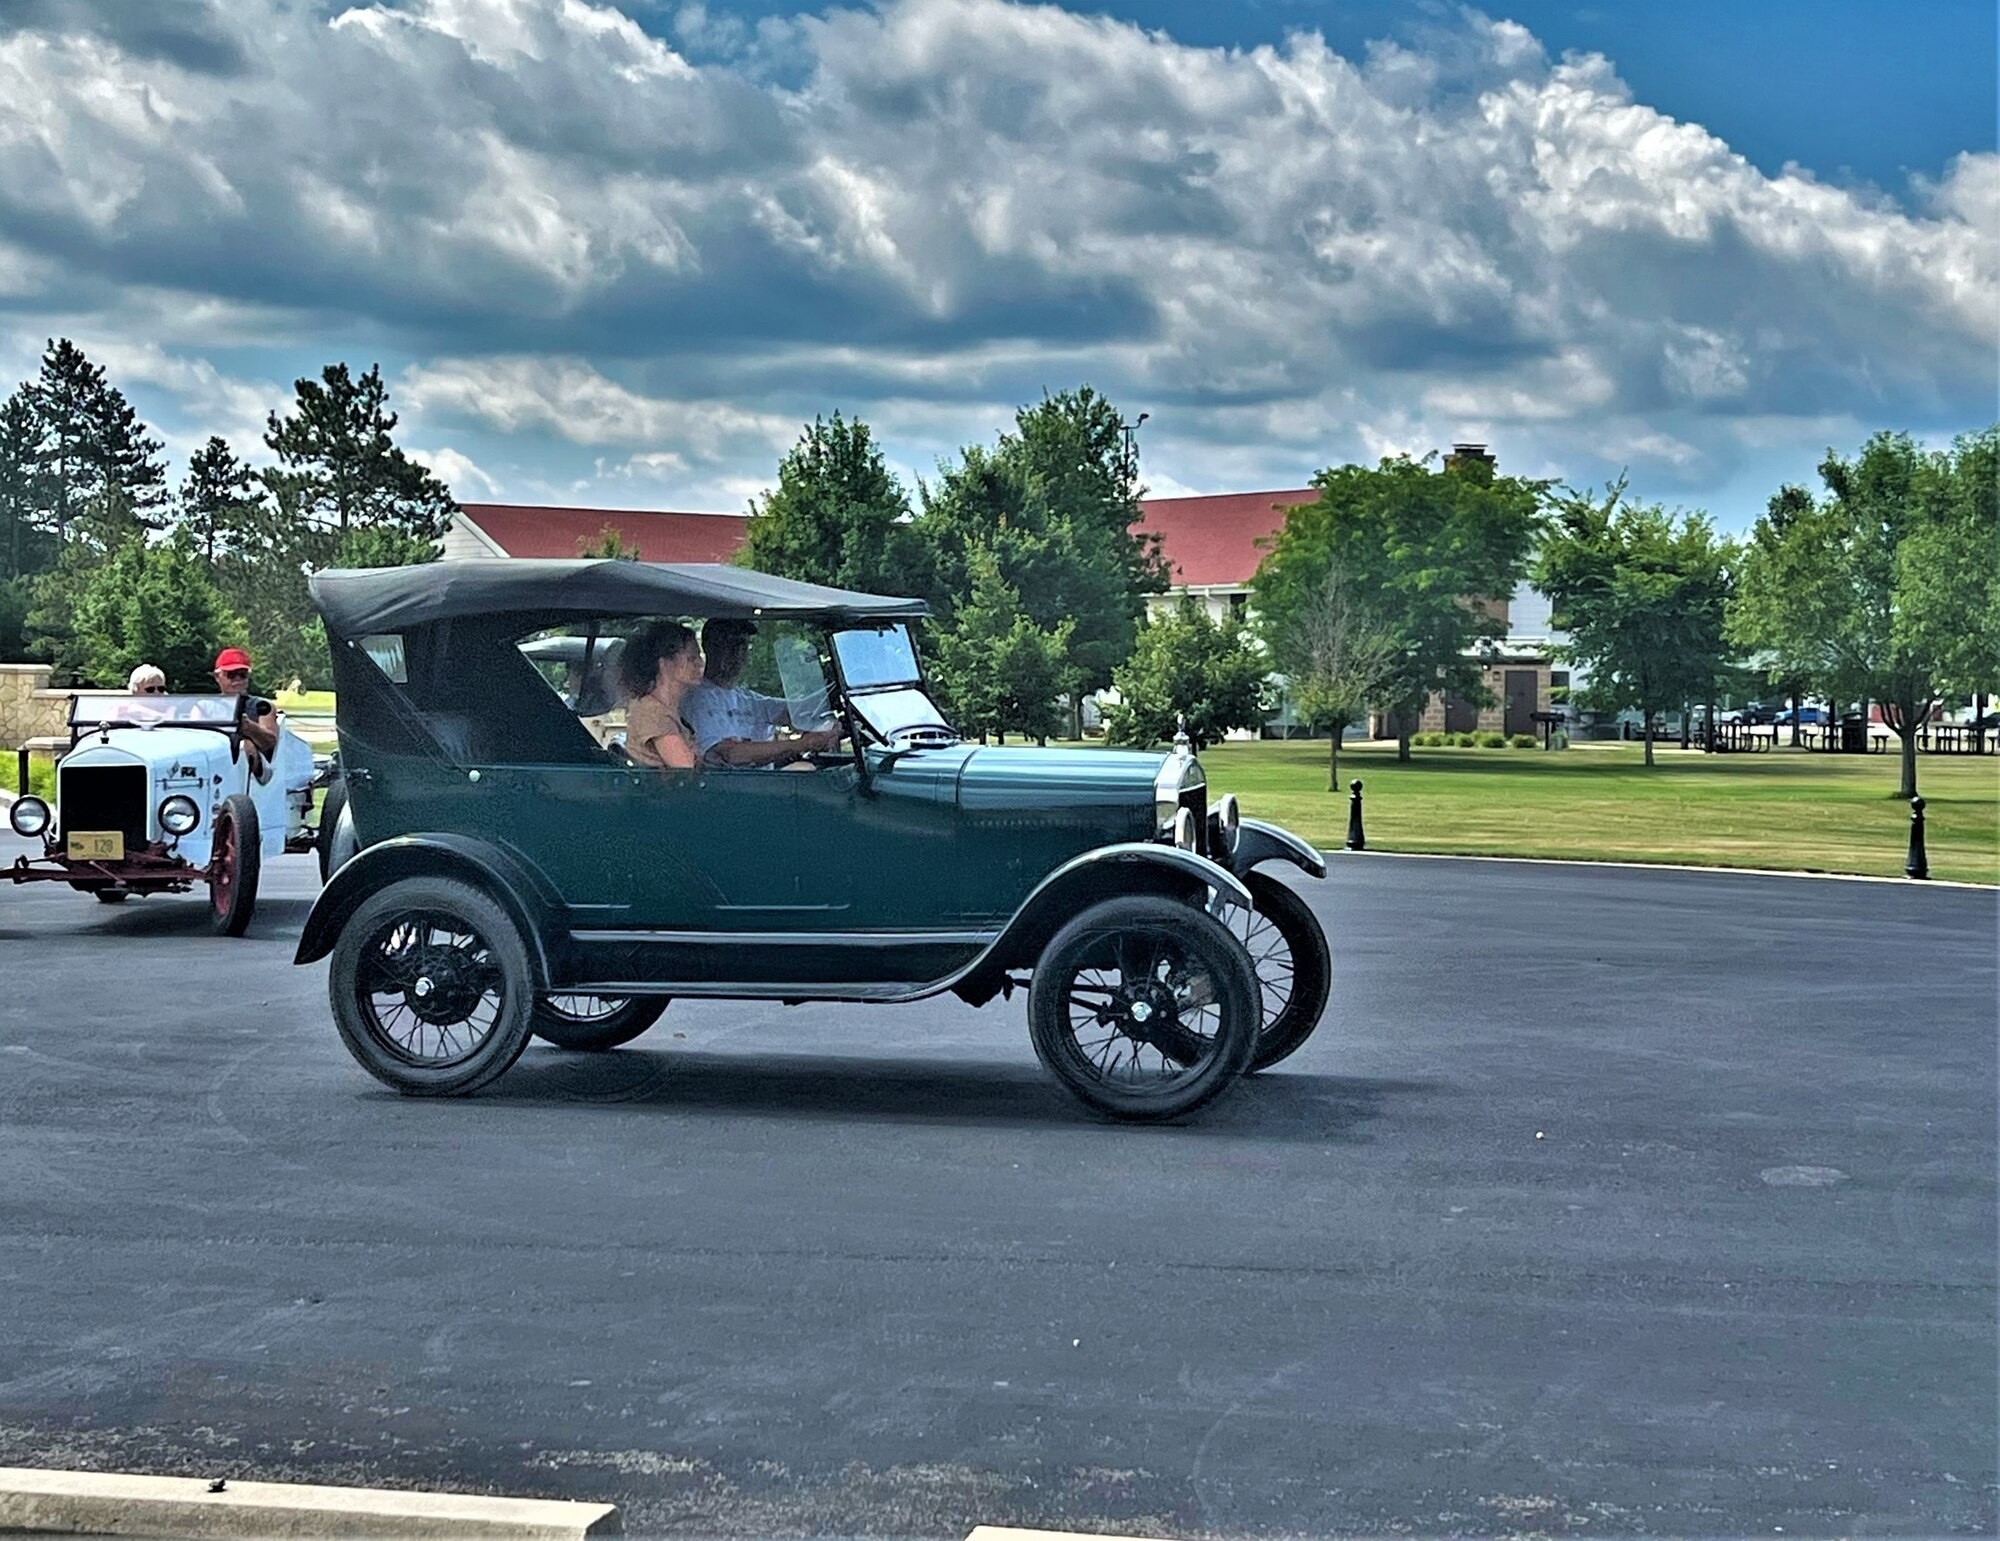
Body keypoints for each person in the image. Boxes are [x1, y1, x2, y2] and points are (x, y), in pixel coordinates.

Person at [683, 618, 840, 769]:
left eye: (743, 646)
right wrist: (800, 744)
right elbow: (729, 755)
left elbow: (798, 712)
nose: (737, 653)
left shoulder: (748, 699)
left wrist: (829, 713)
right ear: (709, 647)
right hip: (724, 785)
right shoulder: (696, 699)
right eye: (730, 645)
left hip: (763, 784)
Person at [618, 621, 703, 770]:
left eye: (699, 656)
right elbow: (684, 766)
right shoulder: (652, 712)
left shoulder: (669, 709)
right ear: (664, 663)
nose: (700, 663)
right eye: (691, 658)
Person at [213, 646, 280, 765]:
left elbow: (271, 744)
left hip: (254, 770)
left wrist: (250, 728)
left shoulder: (262, 706)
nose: (237, 679)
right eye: (231, 674)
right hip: (215, 758)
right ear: (217, 677)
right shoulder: (204, 706)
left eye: (242, 674)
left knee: (246, 746)